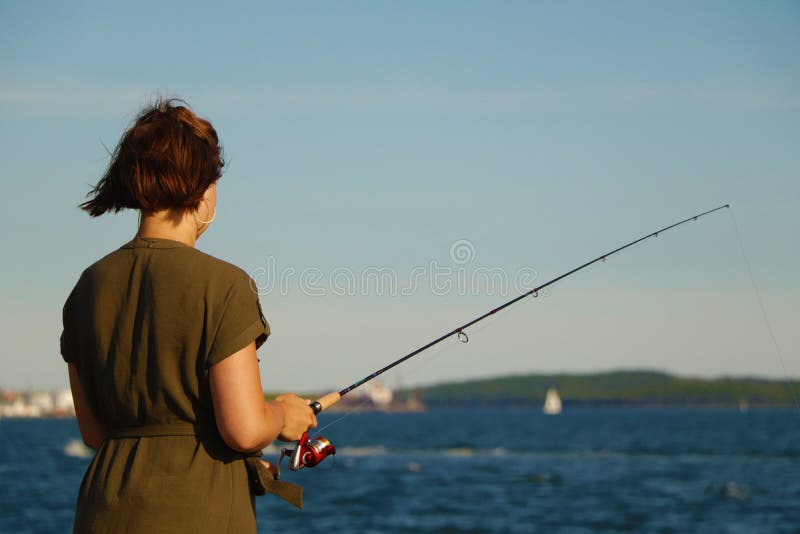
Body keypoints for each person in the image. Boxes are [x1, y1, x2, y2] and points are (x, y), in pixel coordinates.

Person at [60, 99, 317, 533]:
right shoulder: (224, 285)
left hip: (102, 512)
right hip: (199, 513)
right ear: (201, 188)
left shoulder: (85, 288)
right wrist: (283, 414)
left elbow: (93, 432)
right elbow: (244, 429)